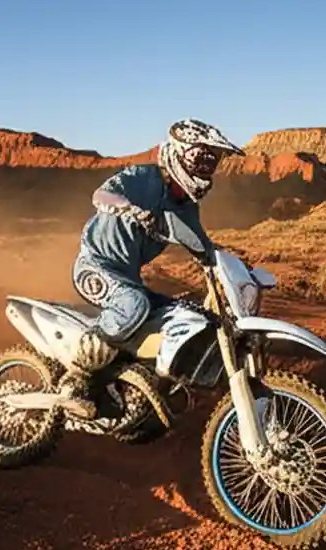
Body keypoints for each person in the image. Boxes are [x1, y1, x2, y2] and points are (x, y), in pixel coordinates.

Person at [57, 119, 244, 419]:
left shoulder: (185, 209)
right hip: (97, 266)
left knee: (185, 312)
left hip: (128, 279)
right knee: (134, 304)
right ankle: (76, 380)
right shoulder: (142, 178)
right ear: (177, 153)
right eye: (200, 156)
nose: (206, 165)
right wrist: (129, 208)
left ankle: (139, 385)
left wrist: (234, 268)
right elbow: (100, 196)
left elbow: (205, 251)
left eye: (212, 159)